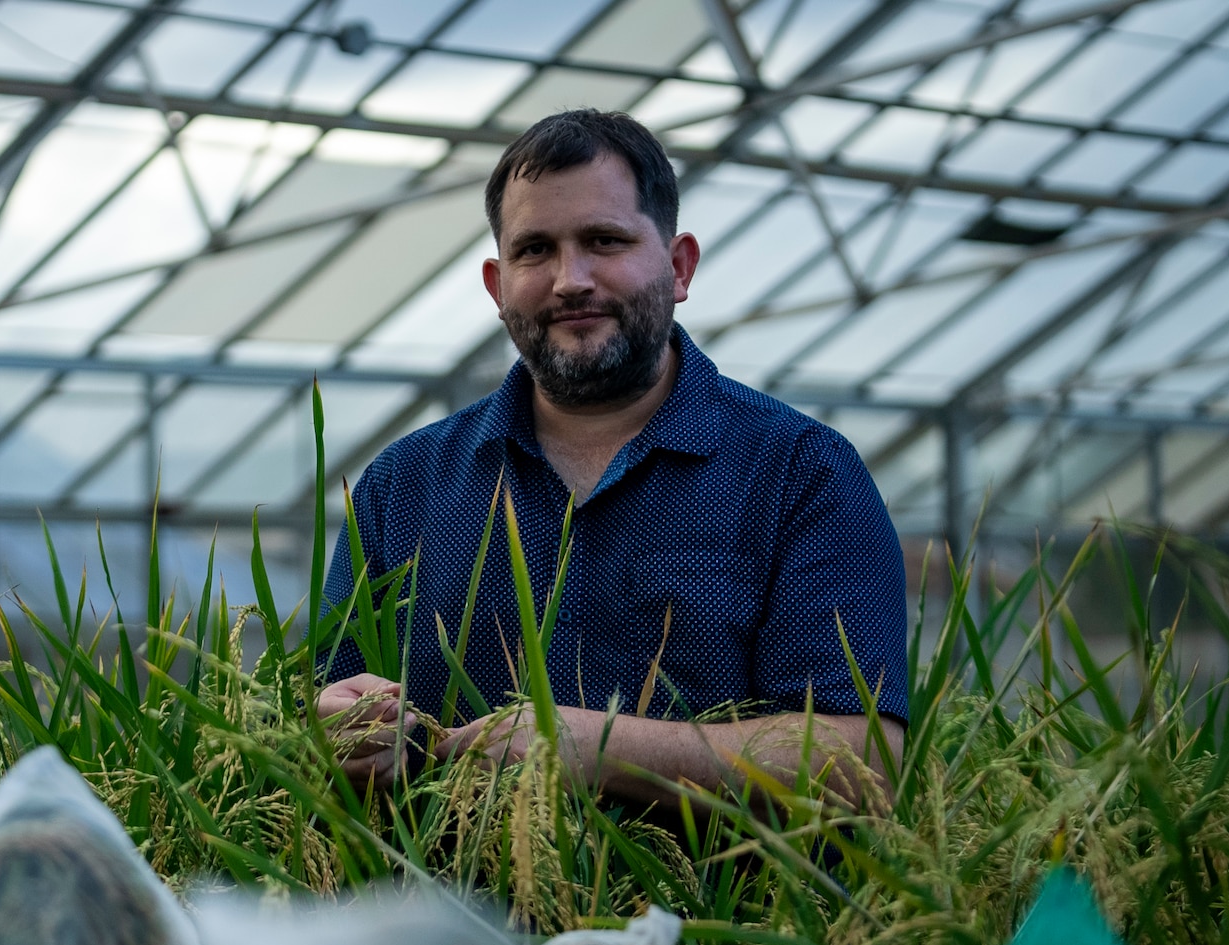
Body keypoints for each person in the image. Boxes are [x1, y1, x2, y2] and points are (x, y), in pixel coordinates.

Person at [316, 109, 907, 811]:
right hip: (449, 916)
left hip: (707, 917)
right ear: (496, 285)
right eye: (535, 250)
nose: (571, 279)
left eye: (604, 240)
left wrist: (601, 749)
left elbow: (864, 760)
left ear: (679, 265)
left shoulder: (800, 475)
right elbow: (325, 711)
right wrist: (339, 724)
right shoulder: (403, 487)